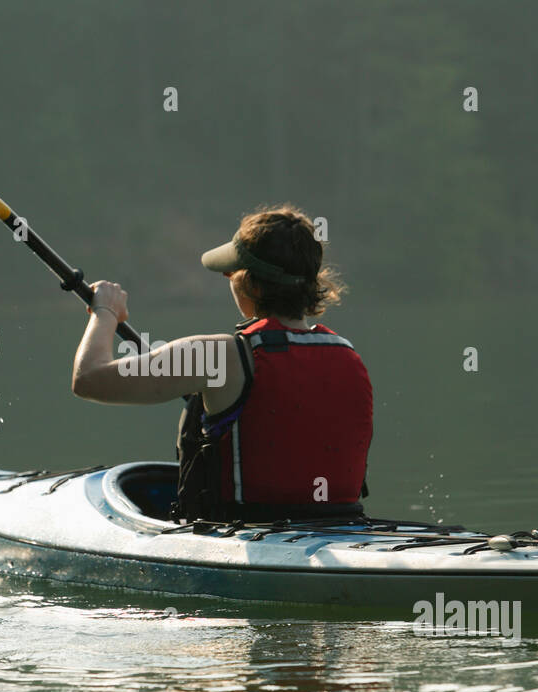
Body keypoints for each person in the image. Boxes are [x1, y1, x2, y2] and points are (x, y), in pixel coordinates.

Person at [72, 205, 373, 522]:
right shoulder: (349, 356)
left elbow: (88, 378)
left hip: (247, 533)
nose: (227, 277)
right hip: (342, 527)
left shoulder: (217, 356)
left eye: (231, 271)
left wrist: (105, 312)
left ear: (253, 286)